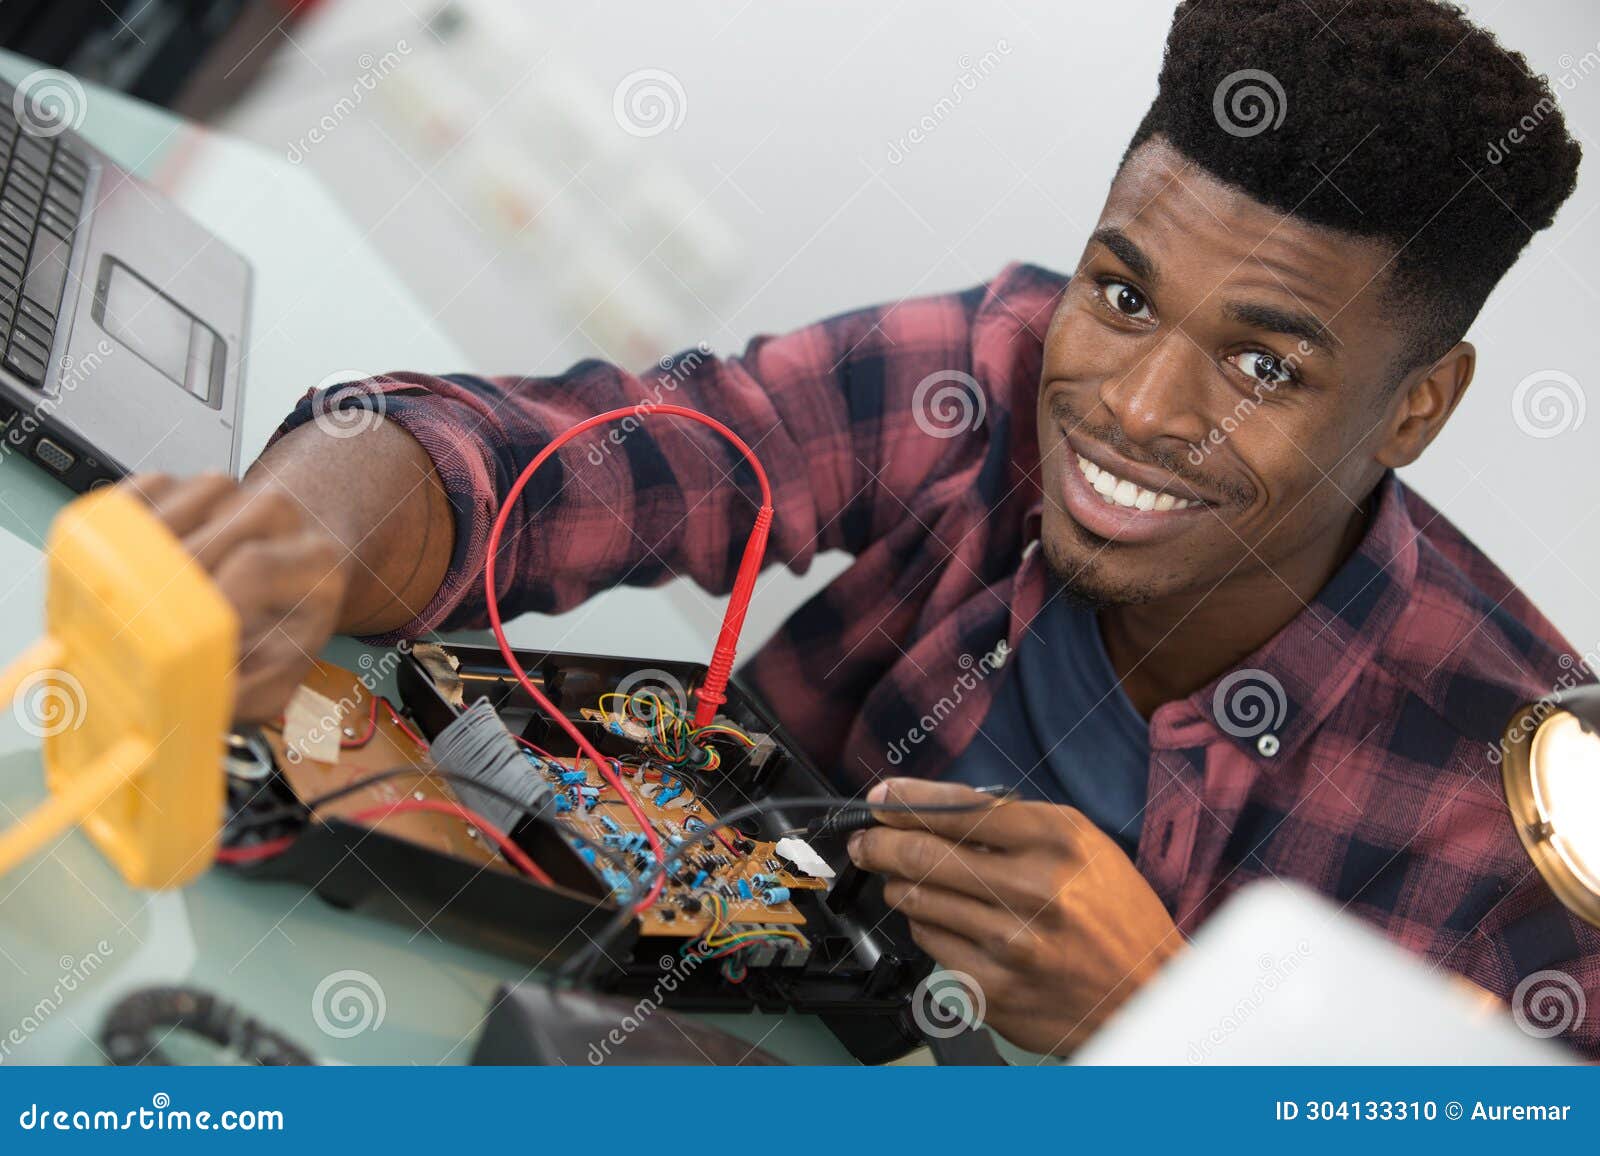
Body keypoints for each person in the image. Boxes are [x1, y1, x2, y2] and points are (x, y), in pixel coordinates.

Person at [128, 0, 1598, 1057]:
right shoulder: (998, 369)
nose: (1139, 407)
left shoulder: (1521, 801)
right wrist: (293, 543)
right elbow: (557, 461)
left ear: (1418, 408)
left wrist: (1172, 1031)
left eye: (1265, 364)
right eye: (1125, 293)